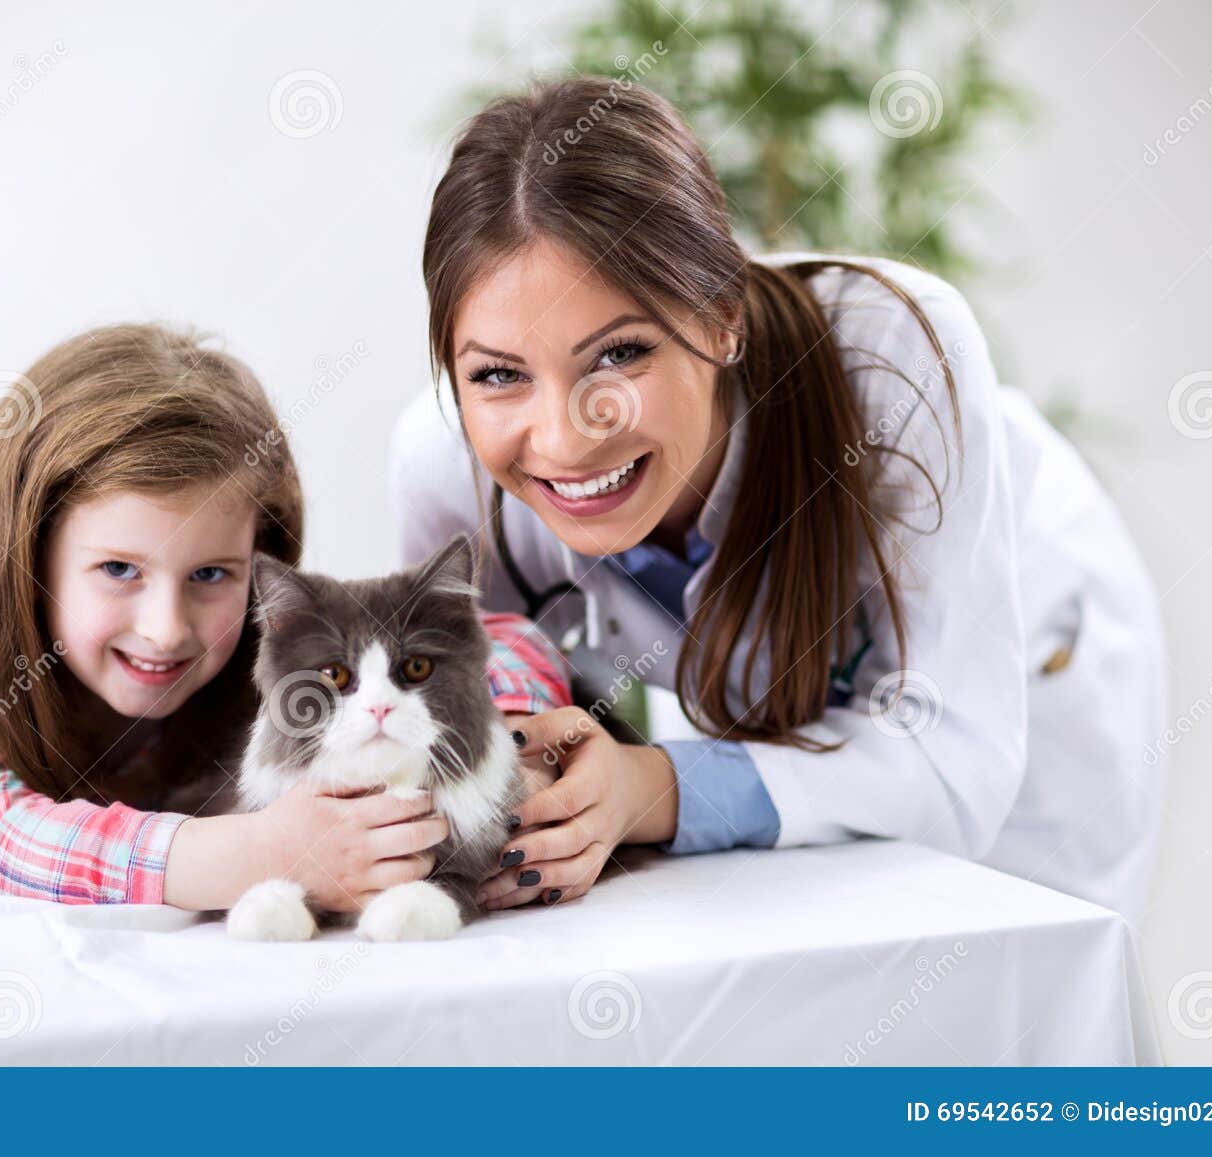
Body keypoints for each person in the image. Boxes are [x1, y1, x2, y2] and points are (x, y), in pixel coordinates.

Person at [396, 78, 1165, 928]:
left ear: (723, 314)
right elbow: (482, 716)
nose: (567, 440)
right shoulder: (445, 468)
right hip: (791, 744)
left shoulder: (896, 354)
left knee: (1015, 1005)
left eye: (619, 353)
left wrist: (661, 786)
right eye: (498, 373)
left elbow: (957, 767)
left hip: (1039, 677)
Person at [0, 323, 569, 911]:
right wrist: (270, 853)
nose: (166, 627)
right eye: (118, 569)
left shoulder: (256, 653)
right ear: (28, 554)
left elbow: (507, 643)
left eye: (211, 574)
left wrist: (508, 751)